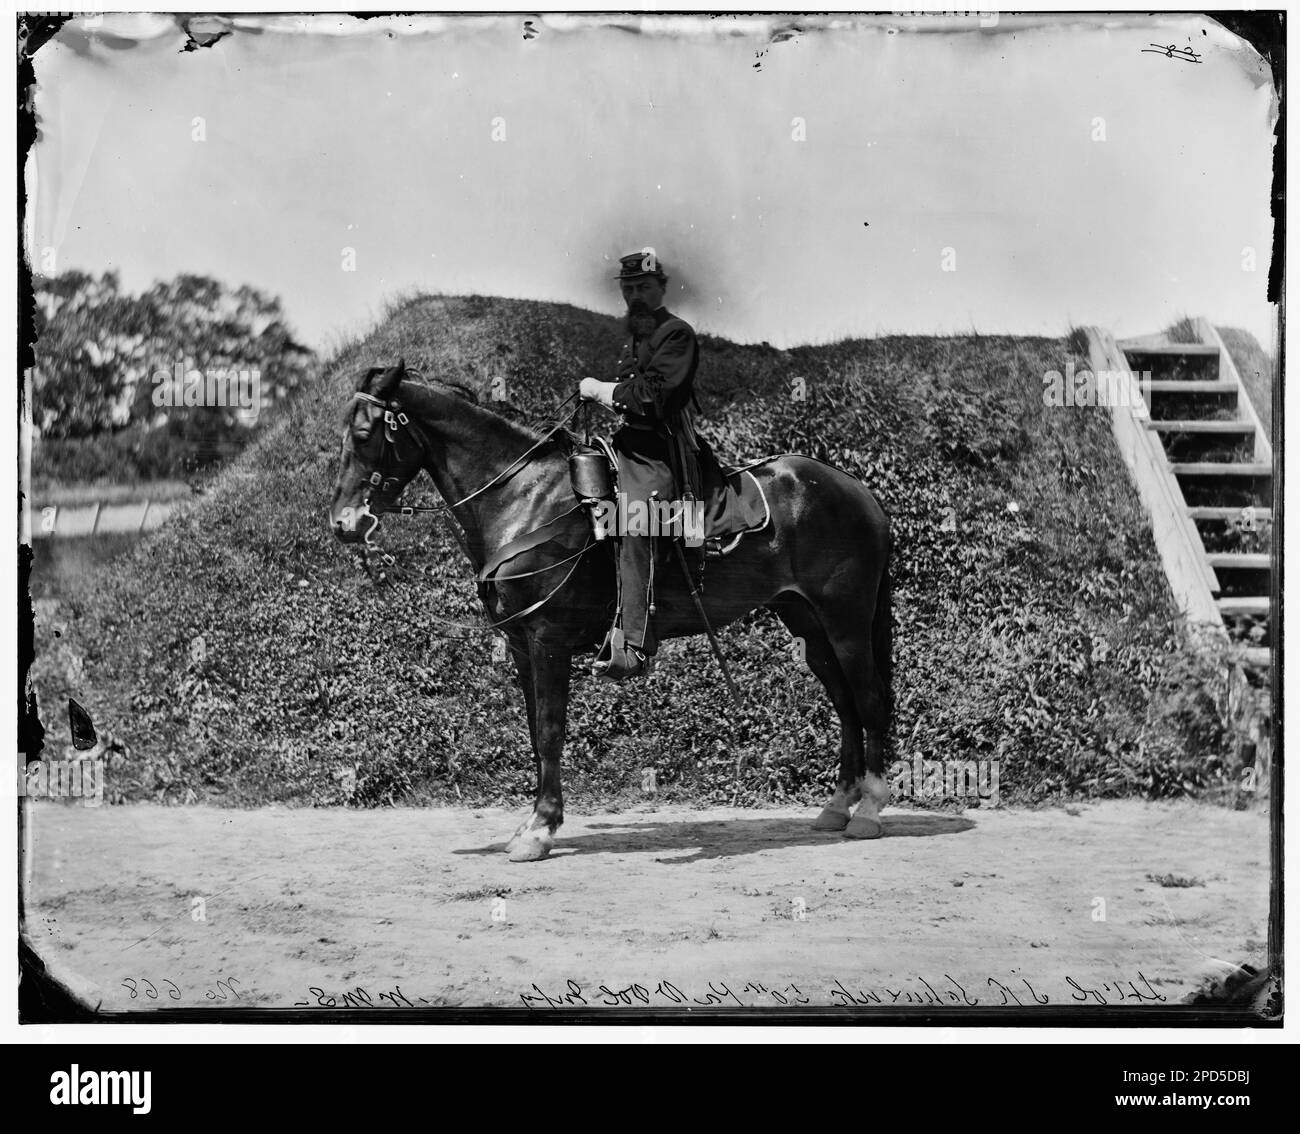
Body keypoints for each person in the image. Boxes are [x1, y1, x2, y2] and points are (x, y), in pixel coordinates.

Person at [579, 249, 703, 681]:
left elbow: (651, 397)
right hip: (629, 445)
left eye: (644, 288)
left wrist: (601, 390)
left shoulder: (677, 334)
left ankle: (635, 645)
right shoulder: (639, 335)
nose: (635, 296)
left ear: (661, 288)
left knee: (637, 519)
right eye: (628, 289)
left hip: (661, 451)